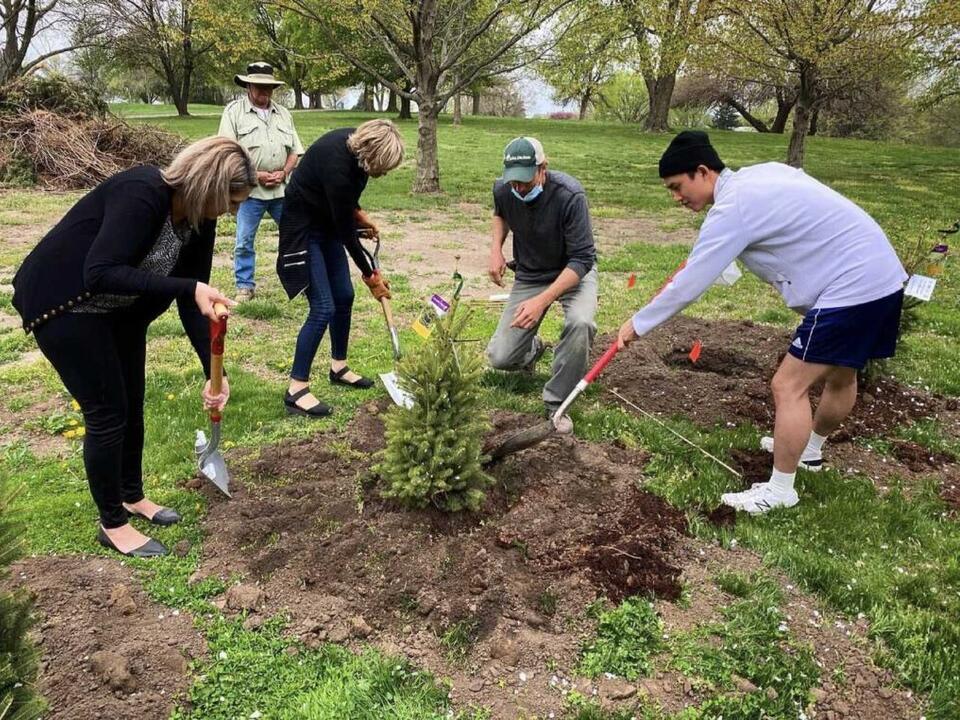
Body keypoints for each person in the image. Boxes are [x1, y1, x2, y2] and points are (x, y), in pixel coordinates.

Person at [617, 130, 907, 514]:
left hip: (852, 287)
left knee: (788, 385)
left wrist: (638, 324)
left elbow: (688, 285)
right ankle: (810, 451)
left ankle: (780, 490)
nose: (676, 197)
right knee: (842, 374)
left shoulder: (732, 208)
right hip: (884, 276)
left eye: (677, 186)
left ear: (702, 172)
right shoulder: (761, 175)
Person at [12, 137, 256, 557]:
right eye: (231, 201)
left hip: (118, 312)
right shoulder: (141, 193)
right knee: (107, 412)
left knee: (132, 403)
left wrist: (215, 373)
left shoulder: (199, 218)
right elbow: (99, 272)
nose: (232, 212)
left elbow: (193, 300)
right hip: (65, 305)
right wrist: (189, 287)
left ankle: (131, 495)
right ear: (211, 187)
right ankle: (113, 523)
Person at [277, 119, 404, 417]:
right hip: (304, 231)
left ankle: (339, 367)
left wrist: (360, 216)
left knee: (344, 296)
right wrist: (371, 276)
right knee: (323, 307)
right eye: (383, 166)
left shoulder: (356, 155)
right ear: (371, 153)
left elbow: (345, 207)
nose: (384, 173)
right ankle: (296, 389)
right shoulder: (338, 165)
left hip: (327, 225)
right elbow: (346, 233)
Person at [486, 136, 598, 424]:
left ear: (542, 168)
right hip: (531, 273)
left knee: (581, 323)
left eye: (525, 181)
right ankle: (533, 350)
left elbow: (583, 259)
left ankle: (557, 403)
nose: (519, 188)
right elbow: (500, 213)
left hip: (572, 272)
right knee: (500, 357)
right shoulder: (504, 189)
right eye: (513, 181)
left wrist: (542, 301)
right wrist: (496, 249)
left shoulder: (570, 195)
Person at [218, 61, 304, 301]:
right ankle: (245, 285)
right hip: (249, 191)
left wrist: (284, 172)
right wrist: (255, 175)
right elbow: (227, 153)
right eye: (259, 86)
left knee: (296, 236)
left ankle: (302, 282)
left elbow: (295, 151)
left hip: (281, 190)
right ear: (248, 86)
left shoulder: (284, 113)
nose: (264, 91)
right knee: (244, 240)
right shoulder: (233, 113)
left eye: (268, 87)